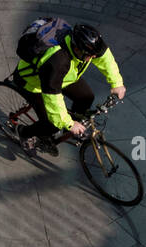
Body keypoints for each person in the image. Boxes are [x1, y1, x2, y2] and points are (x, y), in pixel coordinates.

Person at [14, 23, 127, 154]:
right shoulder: (57, 61)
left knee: (86, 97)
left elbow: (104, 57)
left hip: (64, 78)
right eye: (89, 56)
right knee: (52, 124)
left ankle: (68, 133)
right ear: (77, 49)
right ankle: (24, 132)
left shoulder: (88, 47)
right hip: (35, 84)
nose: (92, 59)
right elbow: (52, 97)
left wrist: (117, 83)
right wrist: (68, 123)